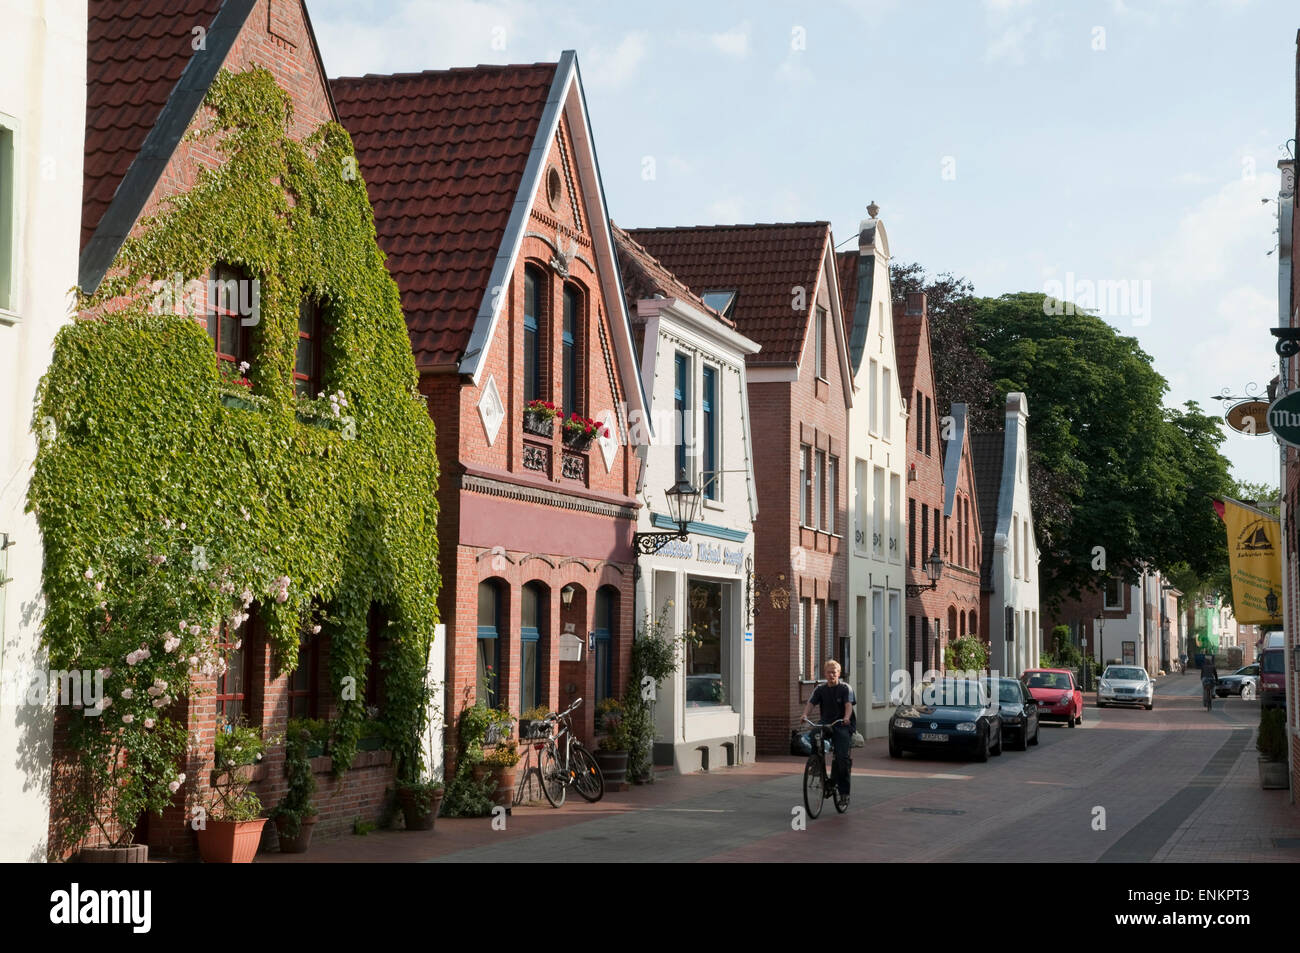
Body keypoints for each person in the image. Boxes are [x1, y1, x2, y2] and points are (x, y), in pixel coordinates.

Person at [802, 660, 856, 799]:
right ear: (825, 673)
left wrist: (846, 717)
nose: (831, 675)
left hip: (842, 724)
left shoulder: (845, 688)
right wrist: (805, 714)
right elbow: (811, 703)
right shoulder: (820, 689)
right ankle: (816, 764)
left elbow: (848, 704)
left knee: (842, 758)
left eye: (834, 672)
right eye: (829, 672)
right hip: (826, 723)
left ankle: (844, 793)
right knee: (814, 734)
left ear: (839, 673)